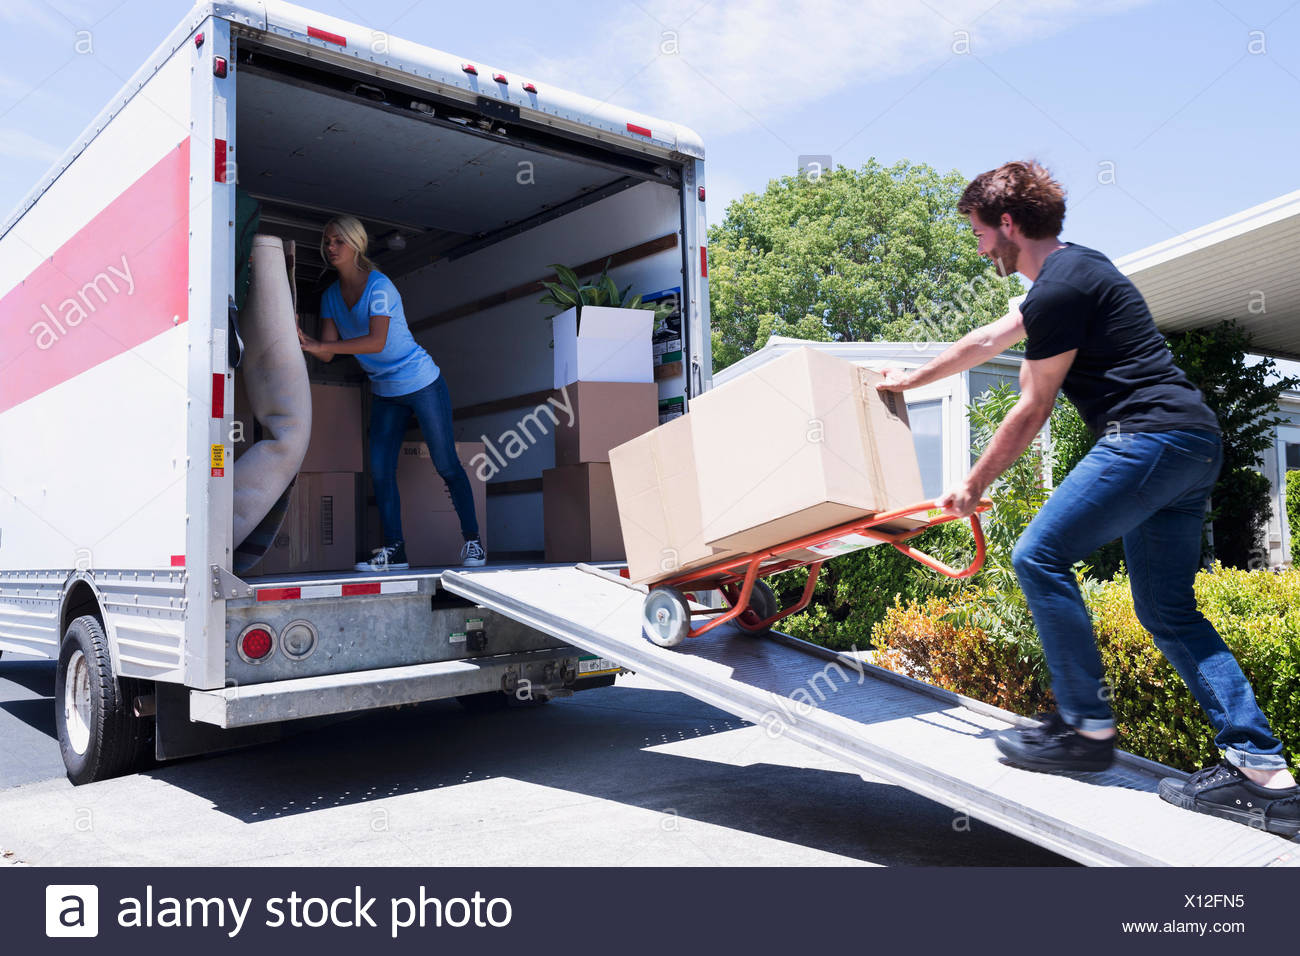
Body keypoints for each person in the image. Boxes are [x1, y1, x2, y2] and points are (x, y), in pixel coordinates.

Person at [877, 160, 1299, 838]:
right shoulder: (1078, 269)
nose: (982, 247)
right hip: (1192, 445)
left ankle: (1085, 727)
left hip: (1148, 439)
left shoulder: (1058, 291)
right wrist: (910, 379)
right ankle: (1266, 777)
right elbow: (986, 339)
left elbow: (1032, 405)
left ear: (1007, 224)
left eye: (982, 233)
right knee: (1168, 610)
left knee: (1039, 556)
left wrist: (974, 483)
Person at [299, 215, 486, 570]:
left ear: (357, 244)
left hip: (422, 383)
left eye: (338, 241)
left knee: (446, 464)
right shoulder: (329, 297)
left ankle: (474, 543)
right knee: (381, 471)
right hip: (385, 391)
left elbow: (376, 341)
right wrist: (306, 342)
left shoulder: (379, 287)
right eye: (327, 242)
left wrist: (324, 344)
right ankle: (395, 550)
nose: (331, 247)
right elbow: (326, 352)